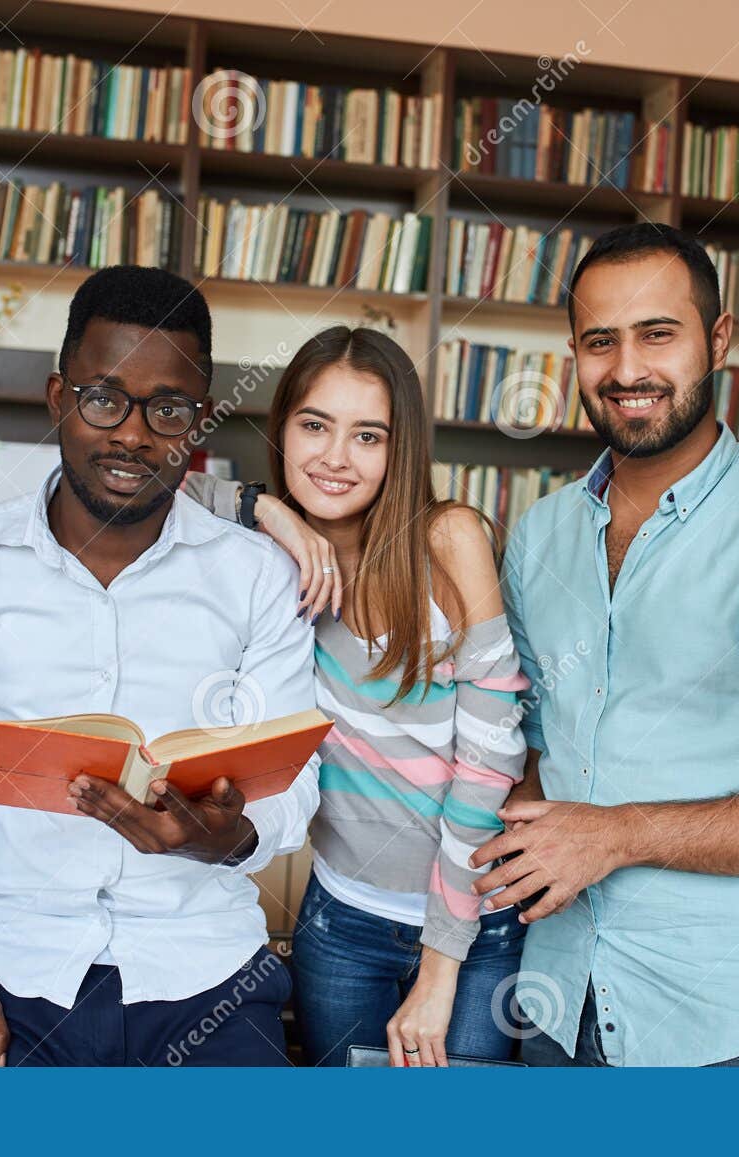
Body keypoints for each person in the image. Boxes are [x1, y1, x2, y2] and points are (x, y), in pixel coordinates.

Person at [475, 221, 739, 1067]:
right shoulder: (541, 534)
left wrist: (617, 833)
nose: (627, 370)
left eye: (657, 335)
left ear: (717, 340)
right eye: (601, 342)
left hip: (738, 1022)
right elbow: (530, 742)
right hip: (555, 1002)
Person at [0, 265, 317, 1068]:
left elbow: (292, 784)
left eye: (168, 409)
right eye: (103, 398)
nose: (132, 433)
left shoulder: (256, 575)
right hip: (17, 970)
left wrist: (223, 838)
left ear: (197, 423)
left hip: (210, 972)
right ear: (59, 399)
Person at [183, 326, 530, 1067]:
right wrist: (269, 510)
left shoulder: (448, 538)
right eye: (314, 425)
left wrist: (441, 962)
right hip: (342, 923)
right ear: (282, 429)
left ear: (397, 450)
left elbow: (491, 758)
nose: (336, 457)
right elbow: (160, 480)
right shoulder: (275, 562)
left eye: (367, 435)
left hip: (476, 931)